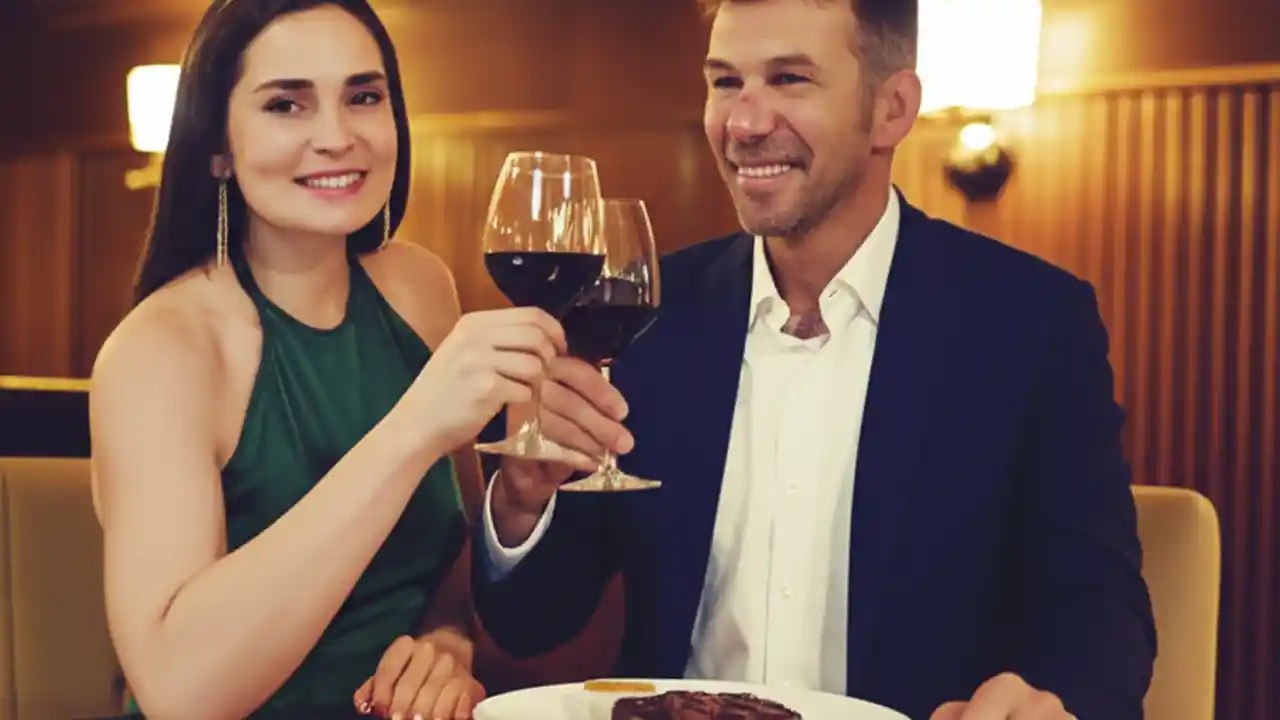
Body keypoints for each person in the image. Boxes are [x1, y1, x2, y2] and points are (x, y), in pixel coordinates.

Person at [474, 1, 1157, 719]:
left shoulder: (1029, 321)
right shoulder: (642, 316)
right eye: (726, 82)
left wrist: (1051, 701)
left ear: (892, 109)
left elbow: (1098, 609)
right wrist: (522, 499)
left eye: (790, 79)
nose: (744, 122)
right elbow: (532, 622)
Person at [89, 1, 565, 718]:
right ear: (216, 144)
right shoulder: (160, 350)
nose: (338, 136)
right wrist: (413, 430)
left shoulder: (418, 287)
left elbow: (447, 555)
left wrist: (446, 643)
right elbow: (178, 691)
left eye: (363, 97)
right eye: (287, 104)